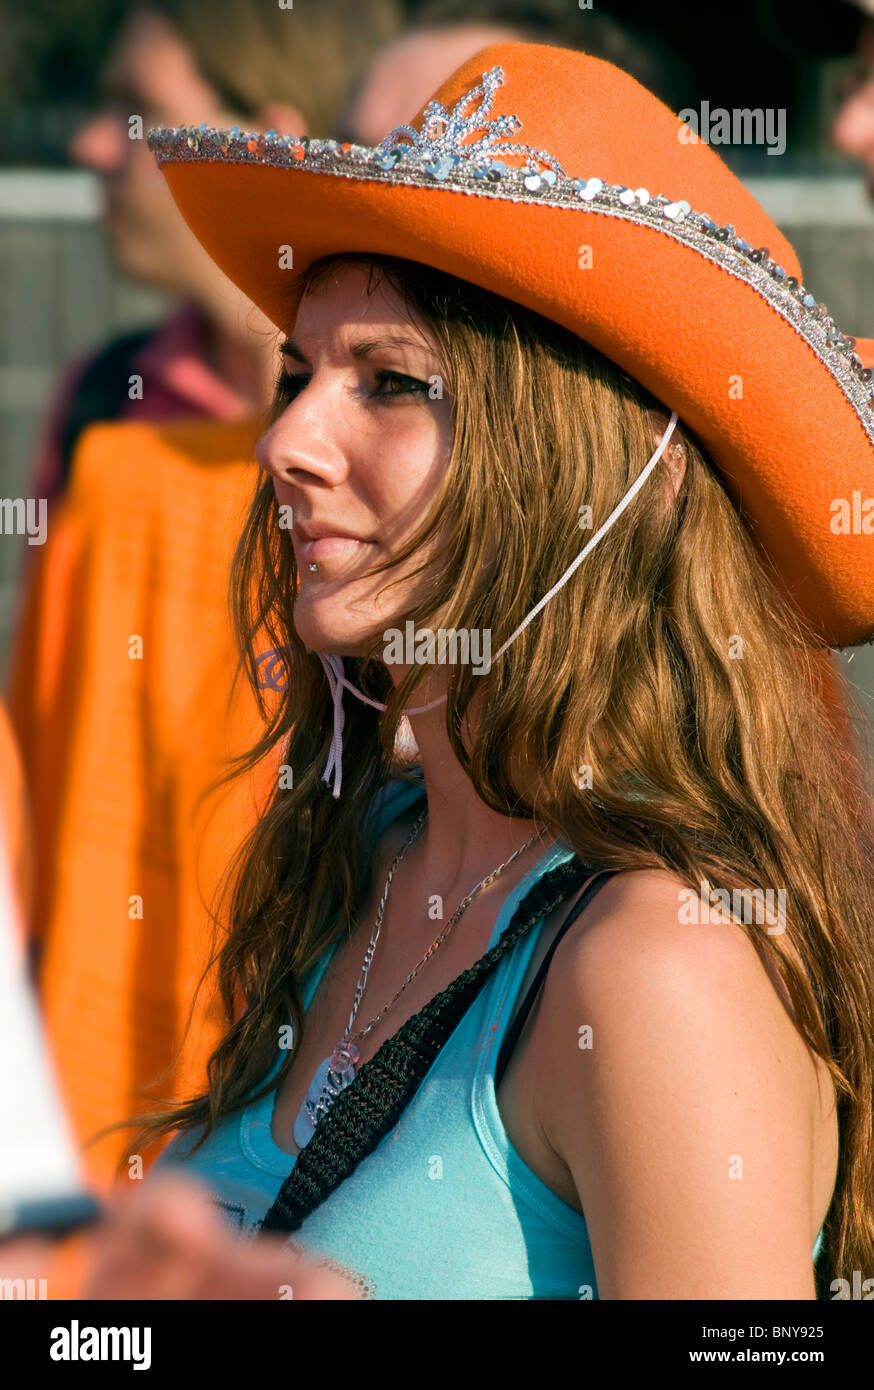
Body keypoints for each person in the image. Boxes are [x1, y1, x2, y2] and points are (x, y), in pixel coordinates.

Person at [15, 36, 874, 1300]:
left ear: (604, 471)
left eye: (392, 383)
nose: (287, 439)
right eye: (302, 374)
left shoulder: (662, 963)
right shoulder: (356, 855)